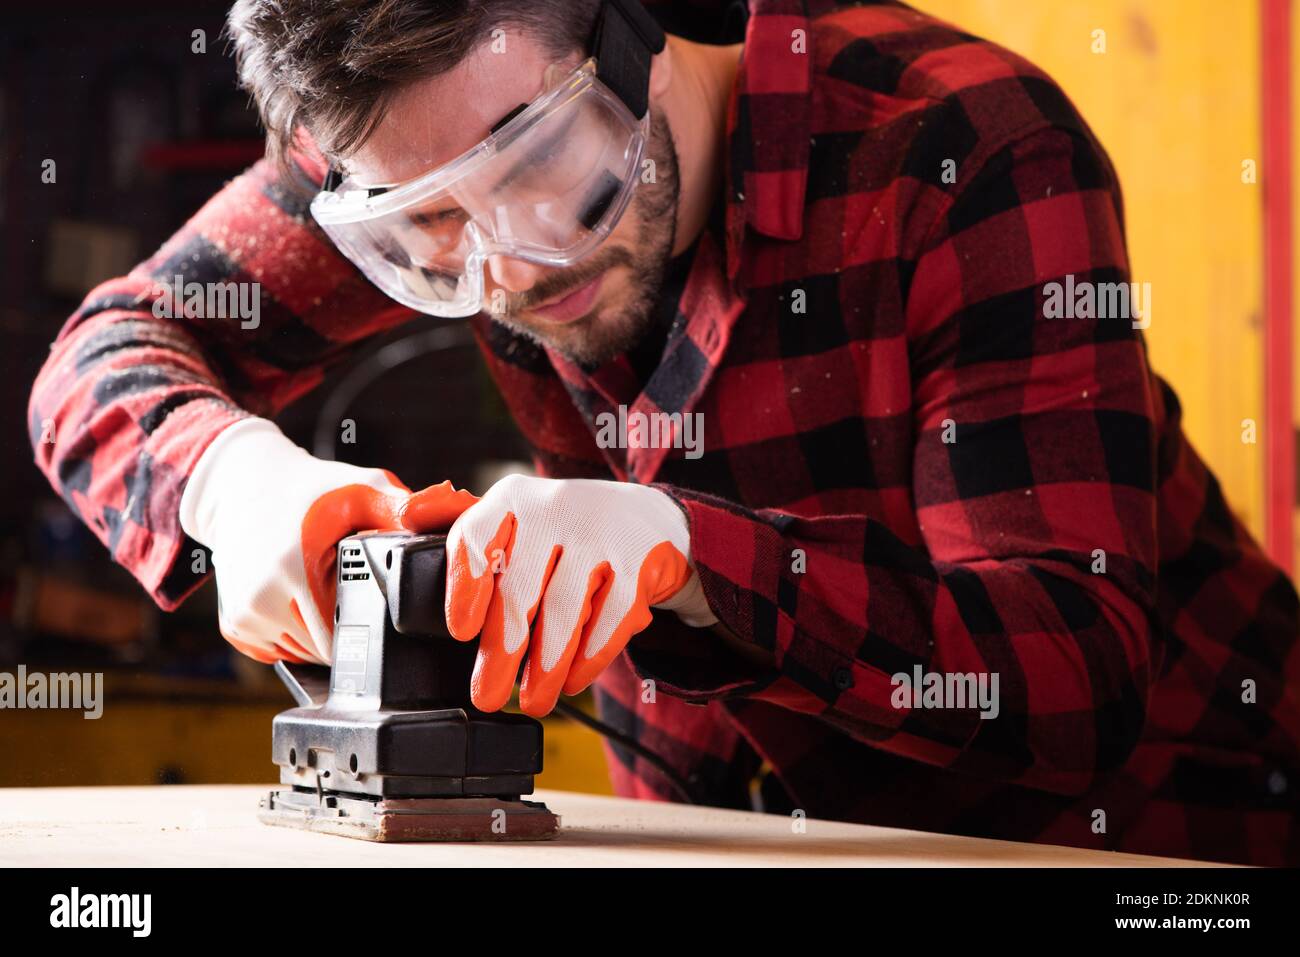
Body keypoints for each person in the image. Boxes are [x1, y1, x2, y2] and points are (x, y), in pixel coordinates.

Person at [27, 0, 1299, 865]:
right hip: (721, 838)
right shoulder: (417, 144)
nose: (512, 265)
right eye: (426, 232)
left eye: (541, 163)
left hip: (1145, 841)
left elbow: (1072, 678)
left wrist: (691, 557)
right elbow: (105, 354)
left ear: (650, 24)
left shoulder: (963, 144)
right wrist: (230, 484)